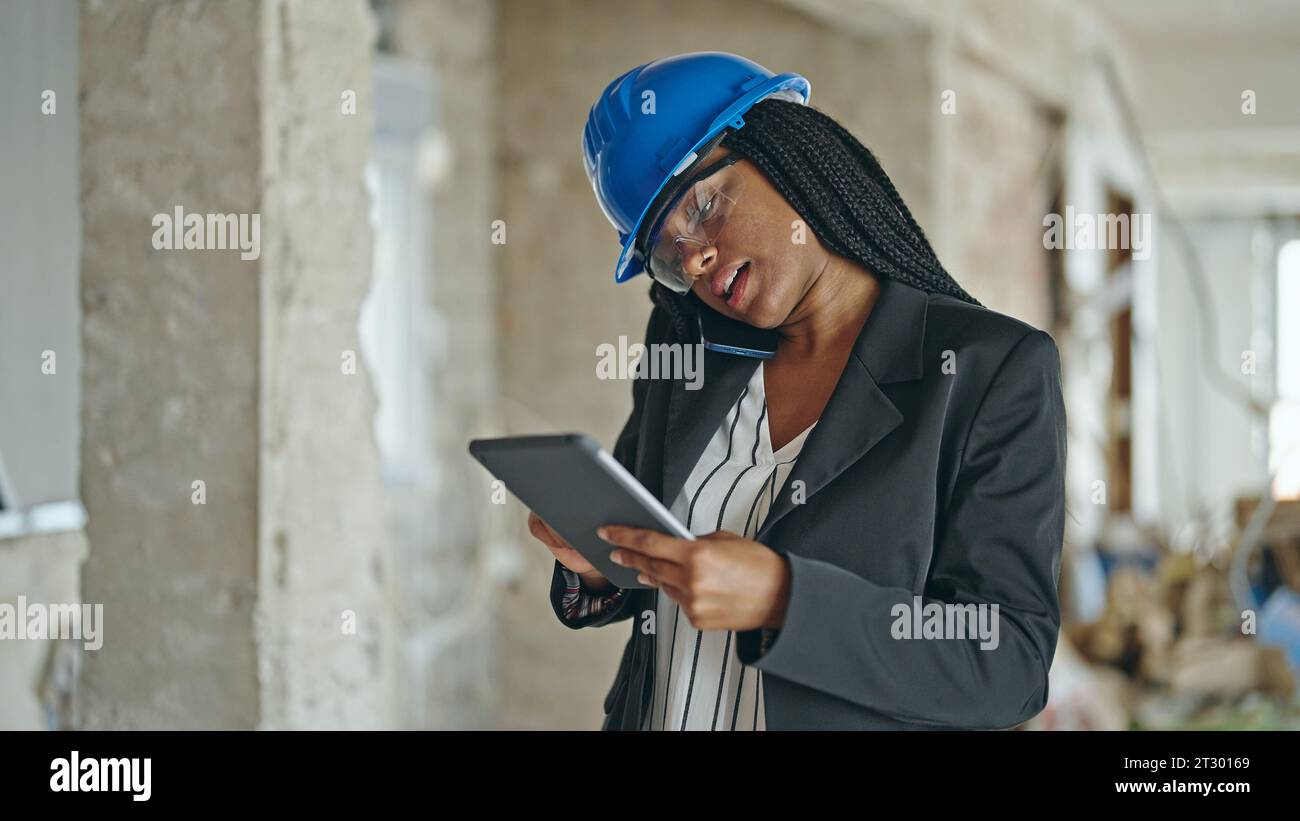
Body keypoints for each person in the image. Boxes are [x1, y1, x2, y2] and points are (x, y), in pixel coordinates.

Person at [527, 52, 1067, 730]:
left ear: (786, 154)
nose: (693, 258)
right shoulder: (687, 351)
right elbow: (655, 551)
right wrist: (601, 566)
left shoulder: (991, 371)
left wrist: (787, 599)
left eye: (701, 205)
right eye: (667, 253)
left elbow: (1008, 662)